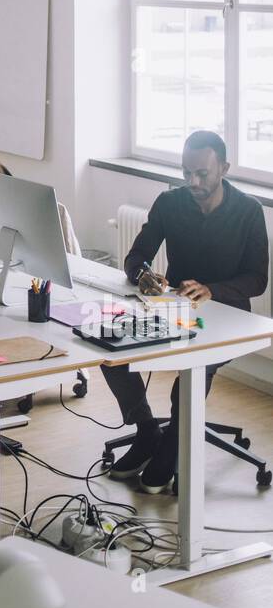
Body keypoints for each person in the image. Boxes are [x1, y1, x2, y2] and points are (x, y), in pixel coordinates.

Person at [105, 130, 268, 494]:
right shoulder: (170, 203)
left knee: (193, 368)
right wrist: (144, 273)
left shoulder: (249, 211)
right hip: (173, 308)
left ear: (223, 168)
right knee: (108, 350)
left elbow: (257, 279)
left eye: (202, 174)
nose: (193, 182)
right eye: (186, 173)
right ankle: (147, 431)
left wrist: (213, 290)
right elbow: (136, 256)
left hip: (229, 316)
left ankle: (176, 440)